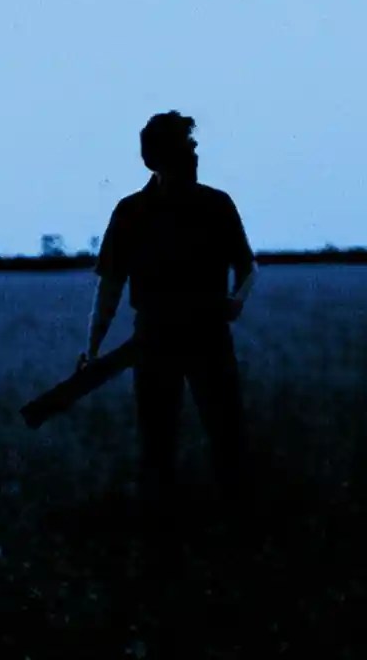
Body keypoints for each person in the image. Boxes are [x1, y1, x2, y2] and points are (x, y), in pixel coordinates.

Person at [80, 110, 260, 551]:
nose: (194, 153)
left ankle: (239, 536)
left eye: (193, 146)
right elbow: (110, 285)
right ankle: (162, 540)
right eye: (185, 147)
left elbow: (247, 266)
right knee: (157, 441)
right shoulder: (131, 212)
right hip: (153, 342)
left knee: (227, 435)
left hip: (209, 337)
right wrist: (93, 349)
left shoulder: (217, 204)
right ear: (155, 159)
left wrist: (238, 297)